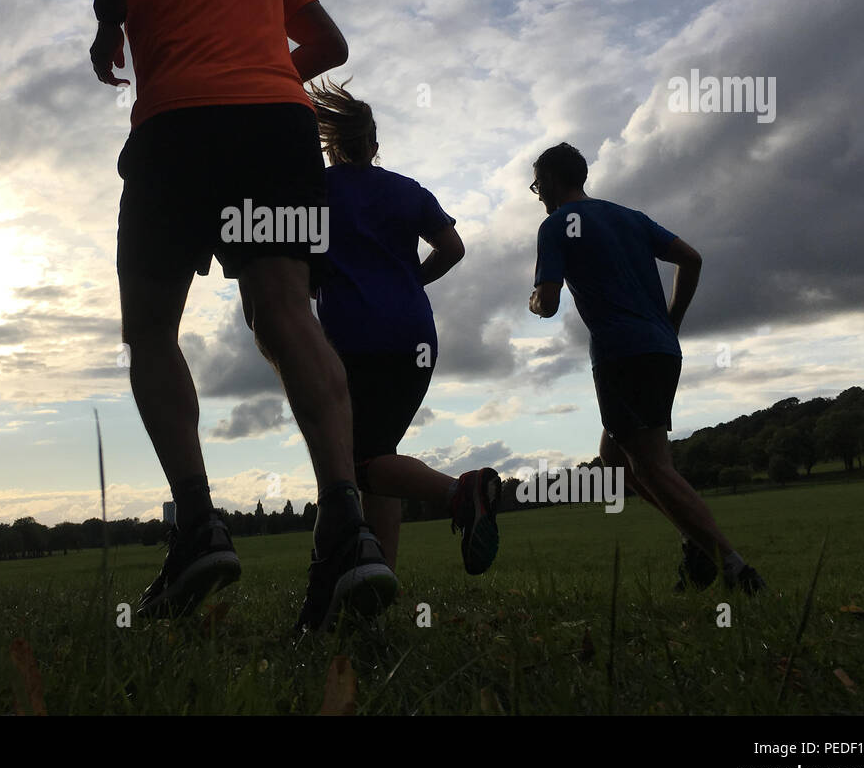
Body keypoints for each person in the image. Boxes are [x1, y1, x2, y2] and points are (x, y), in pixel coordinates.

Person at [91, 0, 394, 632]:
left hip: (179, 125)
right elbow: (331, 43)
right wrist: (267, 75)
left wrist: (106, 22)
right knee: (286, 311)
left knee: (152, 328)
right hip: (278, 127)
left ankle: (198, 524)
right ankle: (347, 524)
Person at [527, 142, 765, 593]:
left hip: (621, 354)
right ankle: (695, 543)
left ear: (553, 182)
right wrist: (671, 320)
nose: (538, 194)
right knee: (615, 457)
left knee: (651, 466)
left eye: (538, 185)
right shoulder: (629, 217)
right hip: (661, 350)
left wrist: (535, 300)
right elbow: (691, 258)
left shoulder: (556, 224)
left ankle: (736, 569)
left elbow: (549, 300)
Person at [308, 78, 501, 575]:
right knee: (379, 457)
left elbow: (301, 269)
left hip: (353, 340)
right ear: (375, 145)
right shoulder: (408, 191)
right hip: (415, 337)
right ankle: (383, 575)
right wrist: (412, 280)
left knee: (350, 466)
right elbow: (453, 248)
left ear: (330, 145)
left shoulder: (317, 191)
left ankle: (460, 492)